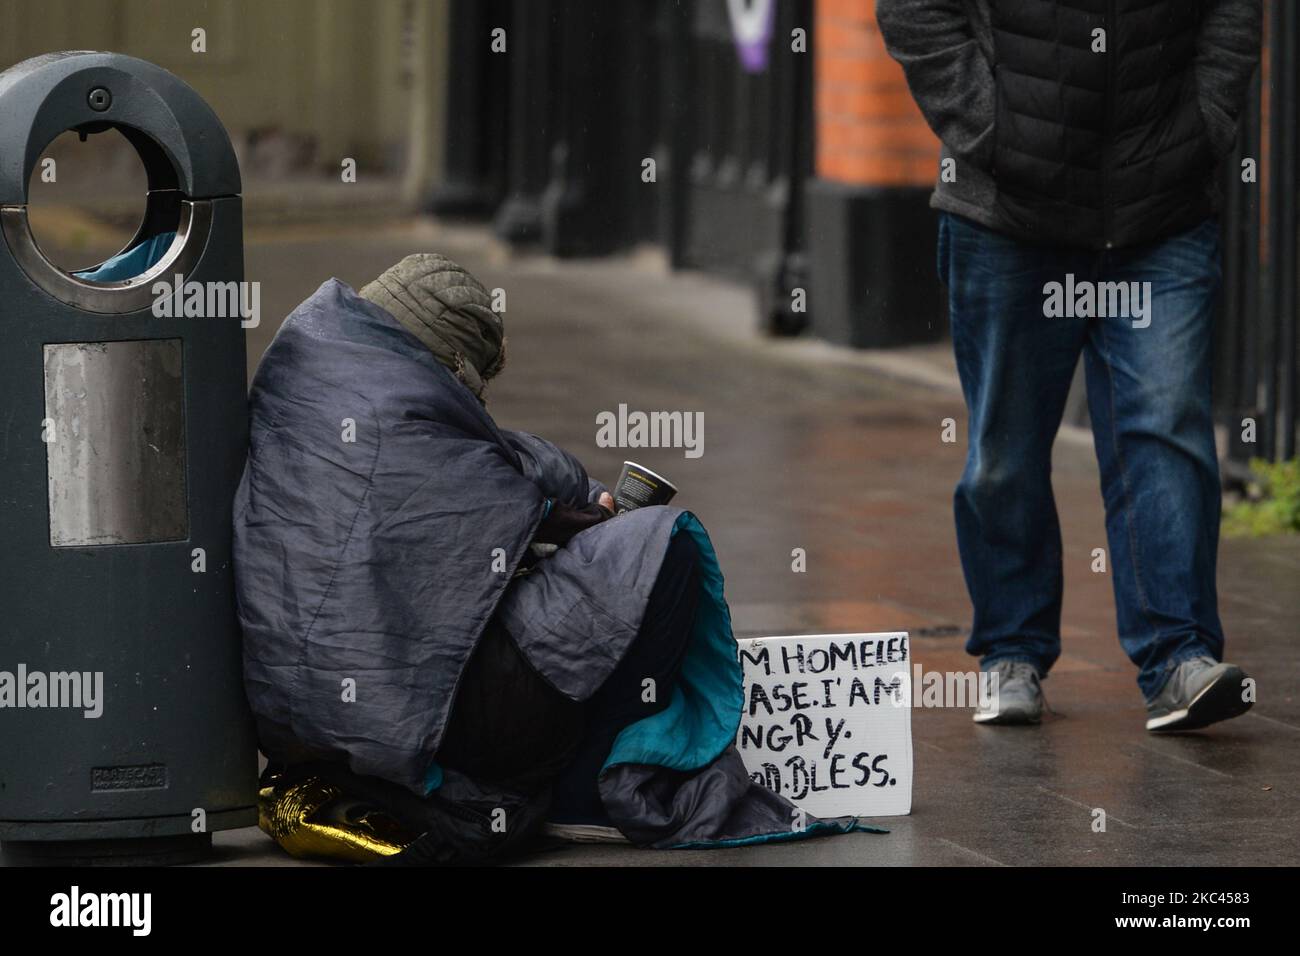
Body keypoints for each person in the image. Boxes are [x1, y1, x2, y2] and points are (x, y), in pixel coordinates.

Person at [233, 254, 874, 861]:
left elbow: (481, 462)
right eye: (475, 387)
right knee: (658, 545)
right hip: (426, 724)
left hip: (303, 729)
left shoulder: (314, 376)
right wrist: (555, 516)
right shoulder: (399, 415)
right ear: (451, 367)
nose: (478, 404)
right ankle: (593, 791)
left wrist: (546, 500)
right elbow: (467, 485)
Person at [876, 0, 1262, 730]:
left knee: (1169, 428)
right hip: (1005, 214)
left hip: (1162, 211)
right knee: (1004, 450)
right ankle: (1010, 651)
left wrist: (1202, 125)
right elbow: (914, 9)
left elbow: (1233, 13)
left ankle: (1178, 657)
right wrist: (992, 131)